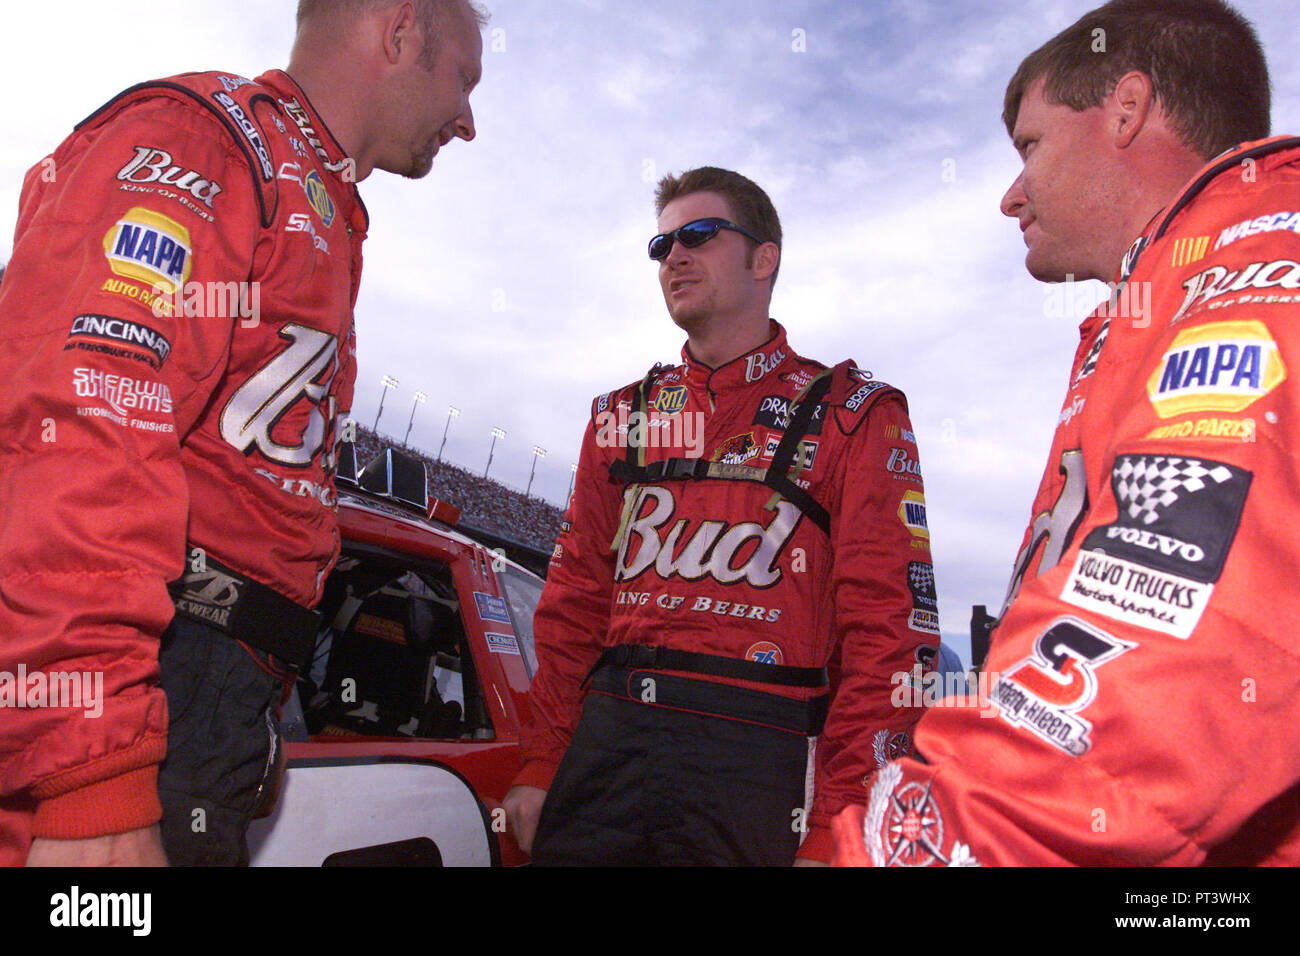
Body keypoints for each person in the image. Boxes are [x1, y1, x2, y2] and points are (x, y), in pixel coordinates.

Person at [0, 0, 485, 866]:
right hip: (149, 685)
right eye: (464, 79)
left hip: (212, 694)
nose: (469, 121)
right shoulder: (208, 140)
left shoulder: (319, 196)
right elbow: (77, 427)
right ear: (401, 30)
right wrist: (91, 773)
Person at [834, 0, 1300, 867]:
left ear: (1125, 110)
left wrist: (899, 851)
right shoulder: (1170, 293)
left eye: (1029, 145)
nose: (1011, 194)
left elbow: (1156, 689)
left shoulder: (1252, 280)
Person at [503, 166, 940, 865]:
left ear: (763, 258)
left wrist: (839, 824)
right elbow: (572, 604)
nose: (673, 256)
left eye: (698, 235)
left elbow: (888, 639)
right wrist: (539, 760)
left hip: (761, 762)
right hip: (609, 742)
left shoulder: (855, 415)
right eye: (662, 244)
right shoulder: (625, 416)